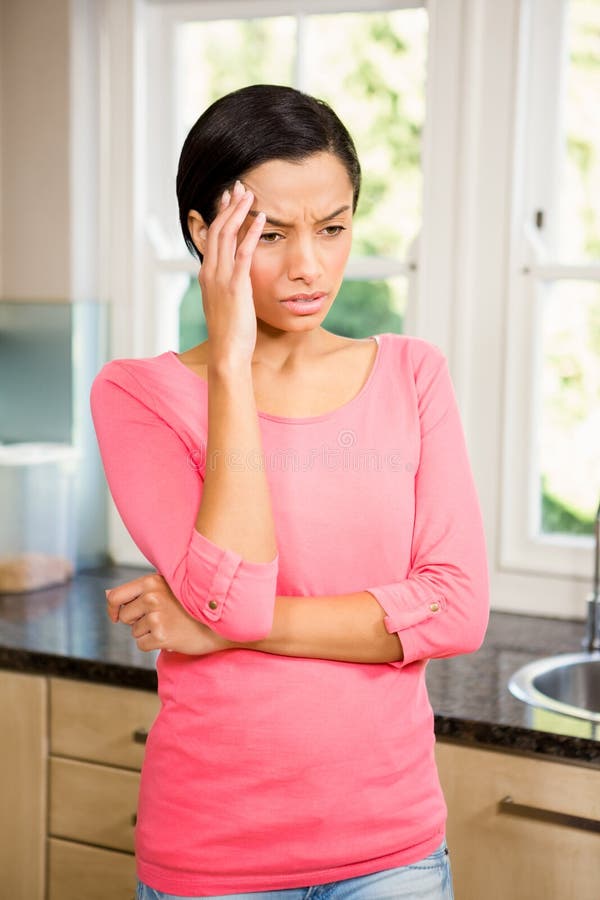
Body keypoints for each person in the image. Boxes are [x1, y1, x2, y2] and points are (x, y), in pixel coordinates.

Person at [90, 83, 490, 900]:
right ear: (203, 233)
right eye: (270, 235)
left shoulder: (412, 376)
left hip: (393, 849)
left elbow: (456, 610)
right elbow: (233, 599)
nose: (310, 266)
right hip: (214, 855)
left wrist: (215, 630)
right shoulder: (138, 396)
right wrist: (230, 363)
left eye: (333, 228)